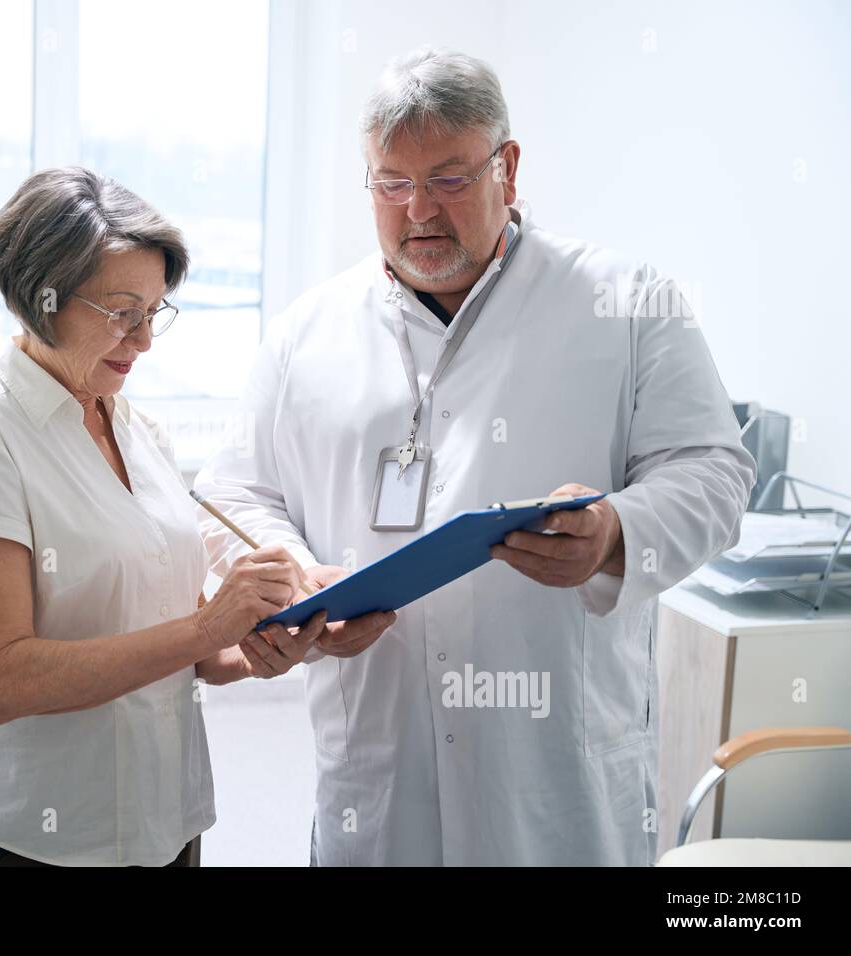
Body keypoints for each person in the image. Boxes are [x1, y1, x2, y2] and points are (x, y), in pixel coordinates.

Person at [193, 47, 756, 866]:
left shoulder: (627, 302)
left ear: (508, 168)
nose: (419, 210)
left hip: (551, 764)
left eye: (450, 179)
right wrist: (292, 580)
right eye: (391, 183)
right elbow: (234, 492)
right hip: (377, 765)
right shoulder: (306, 332)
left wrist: (614, 532)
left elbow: (715, 472)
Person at [0, 166, 348, 866]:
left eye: (154, 312)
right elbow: (3, 681)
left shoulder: (138, 431)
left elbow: (195, 650)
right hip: (38, 840)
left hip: (164, 823)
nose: (144, 341)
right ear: (42, 297)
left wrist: (274, 636)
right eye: (121, 313)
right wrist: (209, 623)